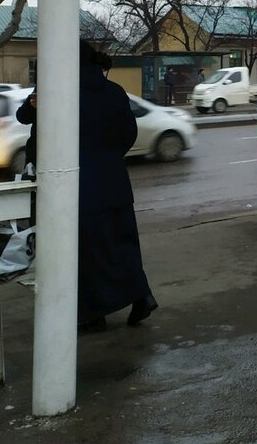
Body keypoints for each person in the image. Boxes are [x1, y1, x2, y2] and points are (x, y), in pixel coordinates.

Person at [77, 40, 158, 332]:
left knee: (90, 253)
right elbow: (128, 132)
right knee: (123, 245)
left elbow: (28, 120)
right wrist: (110, 157)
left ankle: (93, 315)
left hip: (83, 186)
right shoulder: (114, 91)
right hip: (115, 182)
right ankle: (142, 296)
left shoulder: (64, 93)